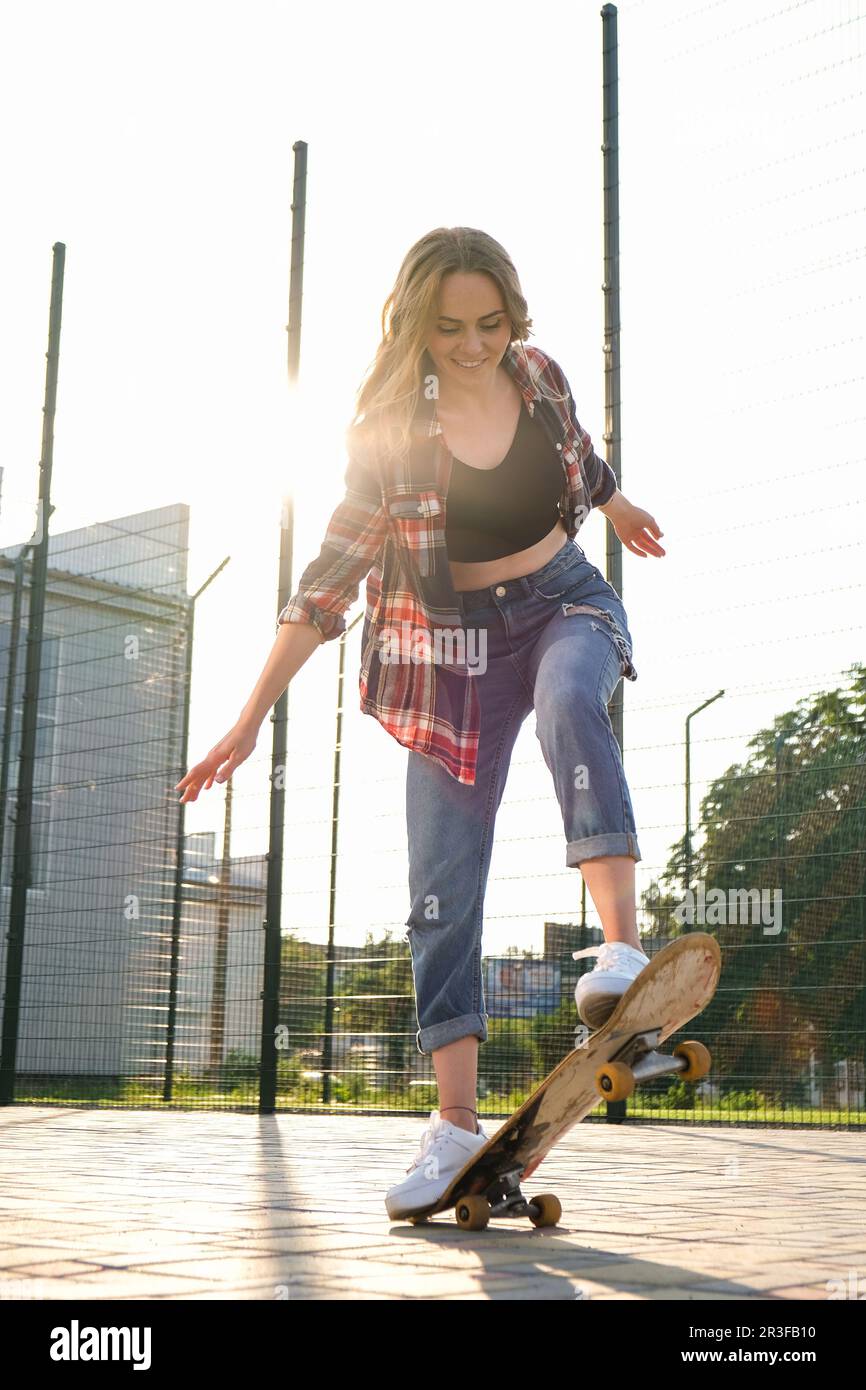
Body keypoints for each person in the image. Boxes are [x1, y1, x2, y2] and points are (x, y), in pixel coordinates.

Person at [174, 227, 665, 1221]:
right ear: (416, 326)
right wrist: (246, 717)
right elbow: (324, 587)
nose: (473, 344)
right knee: (438, 884)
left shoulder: (536, 376)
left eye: (489, 324)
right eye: (450, 329)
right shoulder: (391, 431)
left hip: (562, 599)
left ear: (511, 319)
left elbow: (580, 455)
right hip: (448, 655)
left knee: (573, 696)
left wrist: (615, 507)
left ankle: (620, 954)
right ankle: (451, 1123)